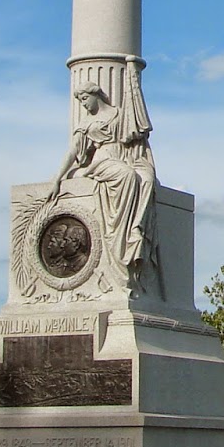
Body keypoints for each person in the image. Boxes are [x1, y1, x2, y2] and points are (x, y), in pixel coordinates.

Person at [48, 82, 155, 293]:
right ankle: (121, 241)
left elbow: (135, 136)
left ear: (95, 94)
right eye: (79, 101)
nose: (83, 104)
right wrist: (57, 178)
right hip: (104, 159)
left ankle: (136, 230)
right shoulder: (86, 123)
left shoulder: (119, 113)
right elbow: (73, 151)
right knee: (128, 177)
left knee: (147, 180)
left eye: (85, 99)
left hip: (125, 156)